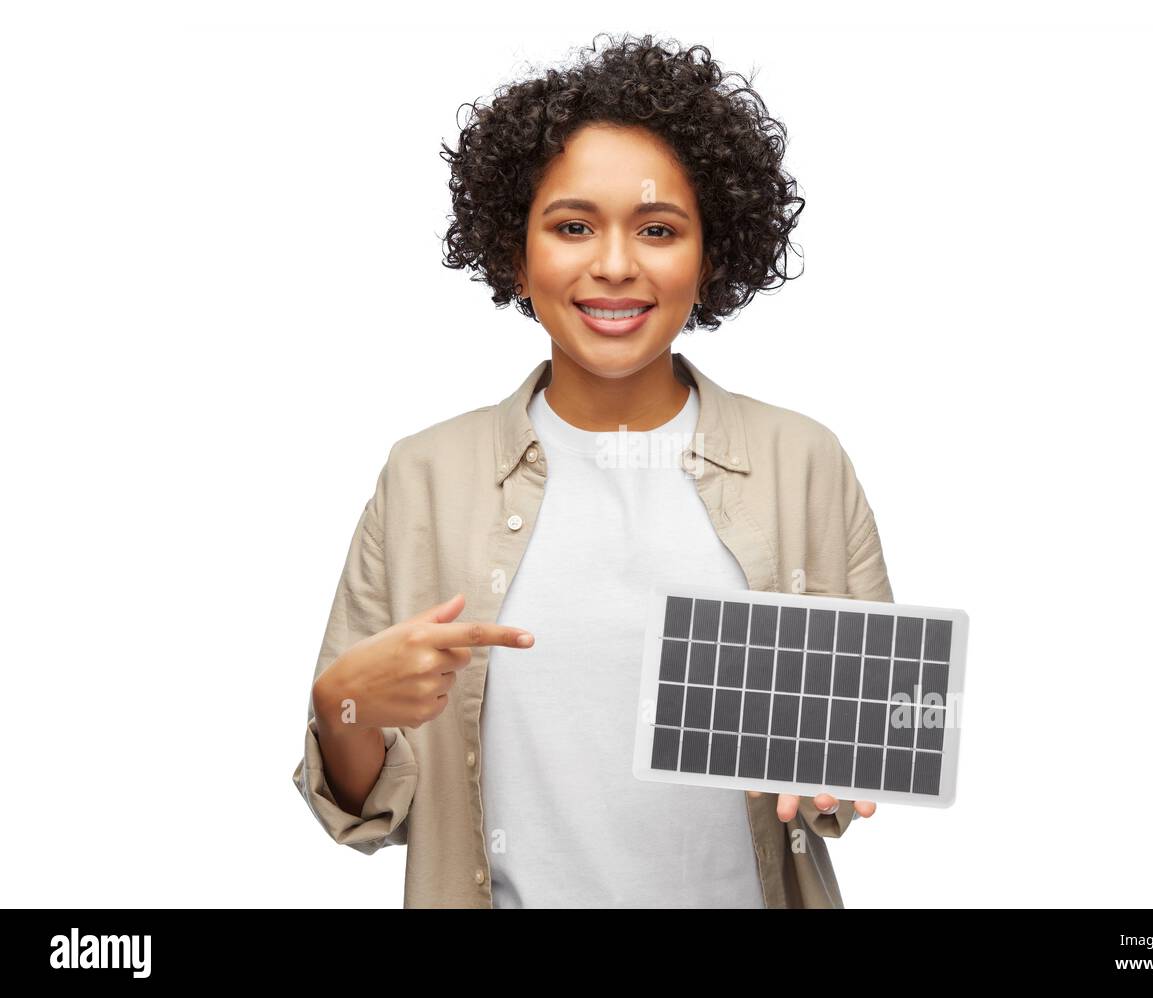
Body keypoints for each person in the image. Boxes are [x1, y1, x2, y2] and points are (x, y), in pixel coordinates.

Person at [292, 32, 894, 908]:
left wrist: (846, 757)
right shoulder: (424, 475)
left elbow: (862, 748)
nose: (614, 265)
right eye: (573, 226)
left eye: (658, 229)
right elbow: (366, 808)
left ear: (711, 254)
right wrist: (341, 704)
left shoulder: (803, 462)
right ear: (514, 251)